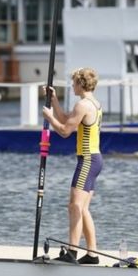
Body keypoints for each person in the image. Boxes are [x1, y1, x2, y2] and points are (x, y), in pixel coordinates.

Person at [42, 68, 103, 264]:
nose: (72, 86)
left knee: (74, 206)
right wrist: (54, 101)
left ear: (81, 84)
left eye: (74, 82)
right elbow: (67, 119)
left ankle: (72, 252)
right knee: (82, 208)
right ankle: (92, 254)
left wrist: (49, 118)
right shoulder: (93, 103)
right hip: (94, 159)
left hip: (87, 160)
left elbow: (65, 131)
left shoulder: (82, 105)